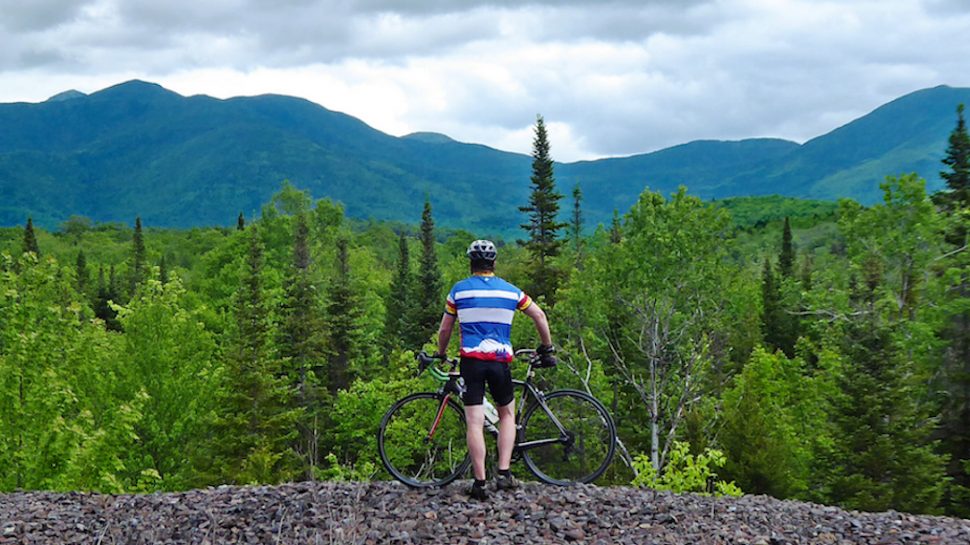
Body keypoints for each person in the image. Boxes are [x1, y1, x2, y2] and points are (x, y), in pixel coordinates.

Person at [435, 239, 557, 500]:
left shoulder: (459, 291)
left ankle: (479, 483)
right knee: (506, 415)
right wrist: (547, 347)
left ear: (471, 263)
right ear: (494, 263)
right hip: (500, 361)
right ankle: (504, 474)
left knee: (475, 422)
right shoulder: (511, 291)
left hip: (472, 361)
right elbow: (540, 315)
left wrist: (441, 353)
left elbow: (445, 329)